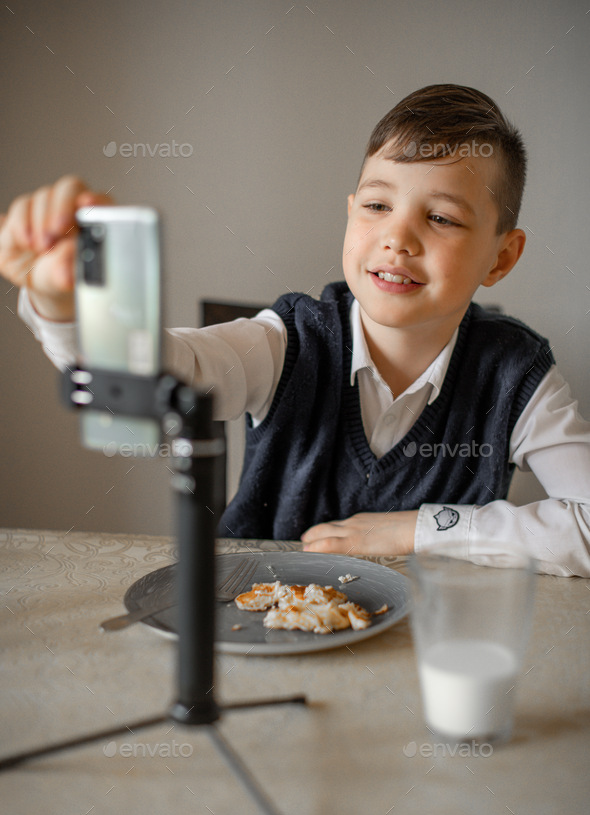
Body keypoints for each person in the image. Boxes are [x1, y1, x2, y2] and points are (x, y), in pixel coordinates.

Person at [2, 84, 589, 576]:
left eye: (440, 218)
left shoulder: (516, 373)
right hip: (257, 628)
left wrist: (416, 531)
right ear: (352, 210)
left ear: (500, 258)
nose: (398, 239)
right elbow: (144, 382)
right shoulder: (289, 341)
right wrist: (65, 305)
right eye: (378, 207)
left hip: (425, 651)